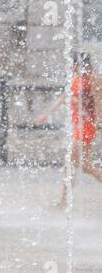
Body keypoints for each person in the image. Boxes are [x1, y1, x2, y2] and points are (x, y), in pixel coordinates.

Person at [35, 52, 102, 209]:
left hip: (86, 124)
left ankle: (64, 201)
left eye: (74, 64)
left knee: (73, 163)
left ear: (79, 64)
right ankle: (65, 201)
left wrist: (99, 121)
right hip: (77, 124)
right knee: (83, 165)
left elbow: (98, 101)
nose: (72, 67)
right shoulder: (76, 78)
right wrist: (47, 113)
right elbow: (65, 97)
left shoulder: (92, 79)